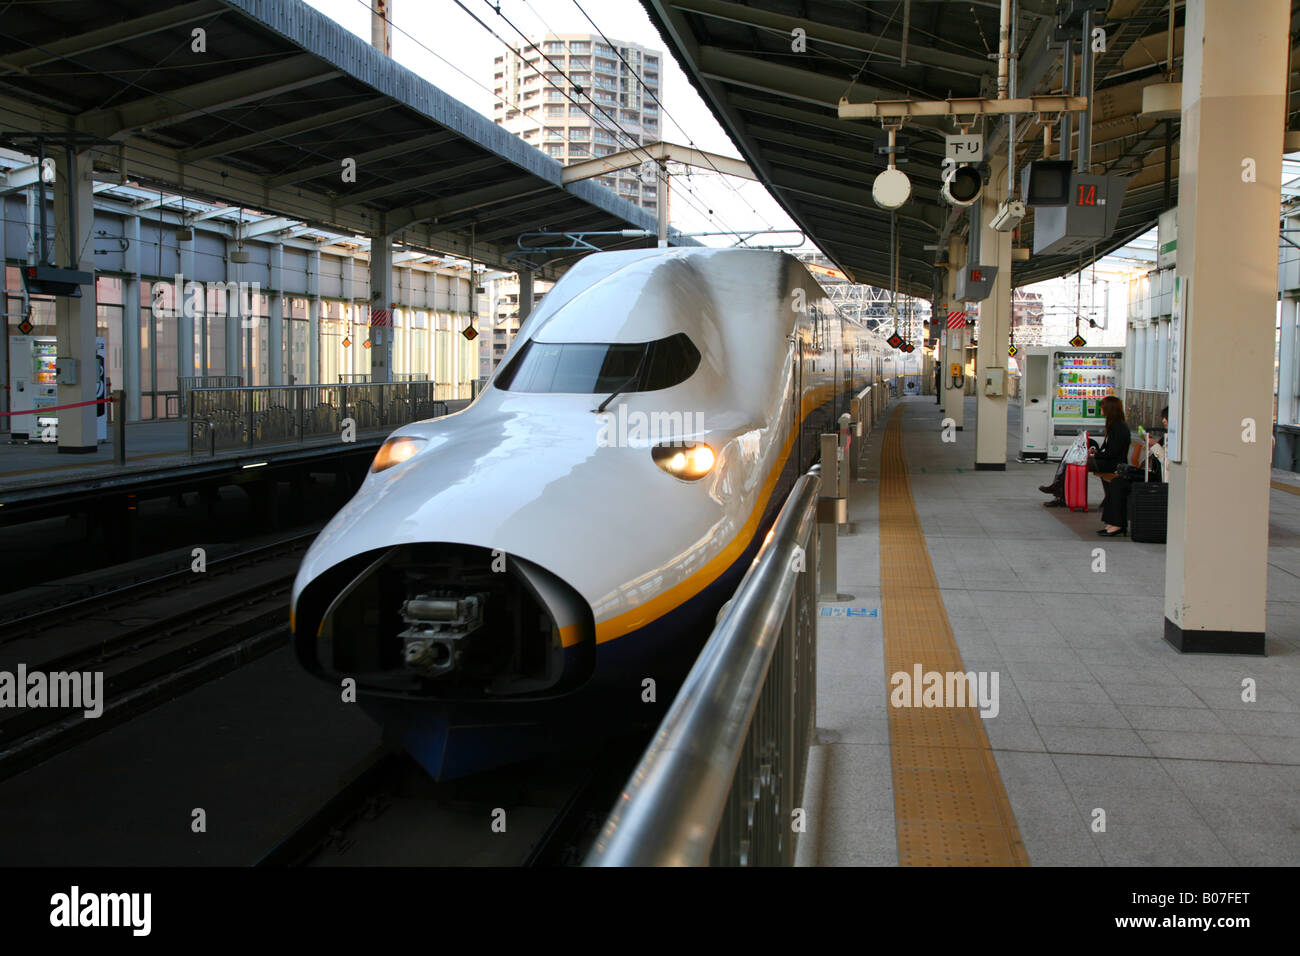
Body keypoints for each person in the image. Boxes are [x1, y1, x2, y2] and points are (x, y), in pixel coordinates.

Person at [1039, 395, 1132, 508]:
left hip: (1113, 464)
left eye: (1102, 407)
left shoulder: (1118, 428)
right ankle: (1058, 490)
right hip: (1110, 461)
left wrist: (1095, 454)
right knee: (1069, 455)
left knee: (1071, 461)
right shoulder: (1115, 425)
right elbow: (1108, 449)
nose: (1100, 410)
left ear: (1109, 409)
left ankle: (1059, 493)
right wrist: (1095, 451)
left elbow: (1112, 453)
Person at [1098, 406, 1167, 536]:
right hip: (1152, 474)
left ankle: (1117, 524)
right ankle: (1113, 522)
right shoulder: (1166, 436)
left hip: (1159, 478)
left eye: (1165, 418)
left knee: (1118, 484)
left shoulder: (1172, 439)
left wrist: (1154, 445)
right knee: (1117, 482)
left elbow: (1167, 463)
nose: (1163, 421)